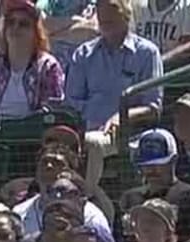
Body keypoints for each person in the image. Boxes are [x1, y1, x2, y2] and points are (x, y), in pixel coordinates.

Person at [64, 0, 163, 193]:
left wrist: (121, 116)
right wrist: (92, 116)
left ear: (126, 13)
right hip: (85, 128)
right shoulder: (84, 54)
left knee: (93, 142)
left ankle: (86, 197)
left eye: (112, 6)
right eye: (100, 7)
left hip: (129, 134)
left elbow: (153, 107)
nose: (105, 13)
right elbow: (72, 101)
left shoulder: (147, 53)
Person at [0, 0, 65, 120]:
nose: (15, 28)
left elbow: (52, 113)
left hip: (33, 136)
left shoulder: (48, 67)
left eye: (23, 24)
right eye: (10, 22)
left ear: (36, 32)